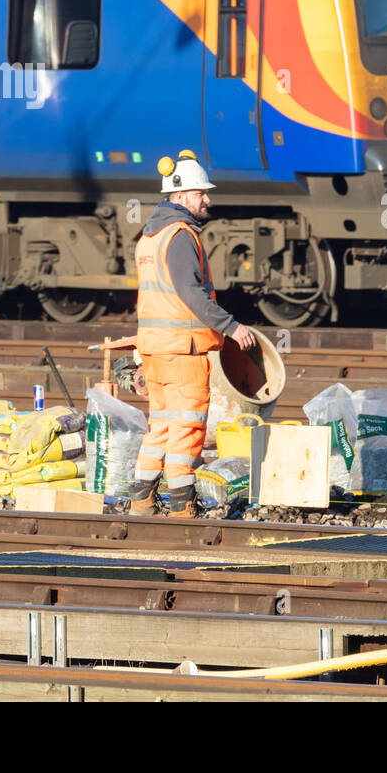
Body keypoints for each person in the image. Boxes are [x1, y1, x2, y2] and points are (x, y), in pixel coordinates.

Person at [127, 151, 256, 518]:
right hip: (182, 352)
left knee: (161, 428)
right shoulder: (181, 236)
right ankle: (183, 505)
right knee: (186, 429)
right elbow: (190, 292)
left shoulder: (150, 235)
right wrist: (231, 326)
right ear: (181, 196)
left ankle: (141, 500)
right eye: (202, 193)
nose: (207, 199)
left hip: (155, 351)